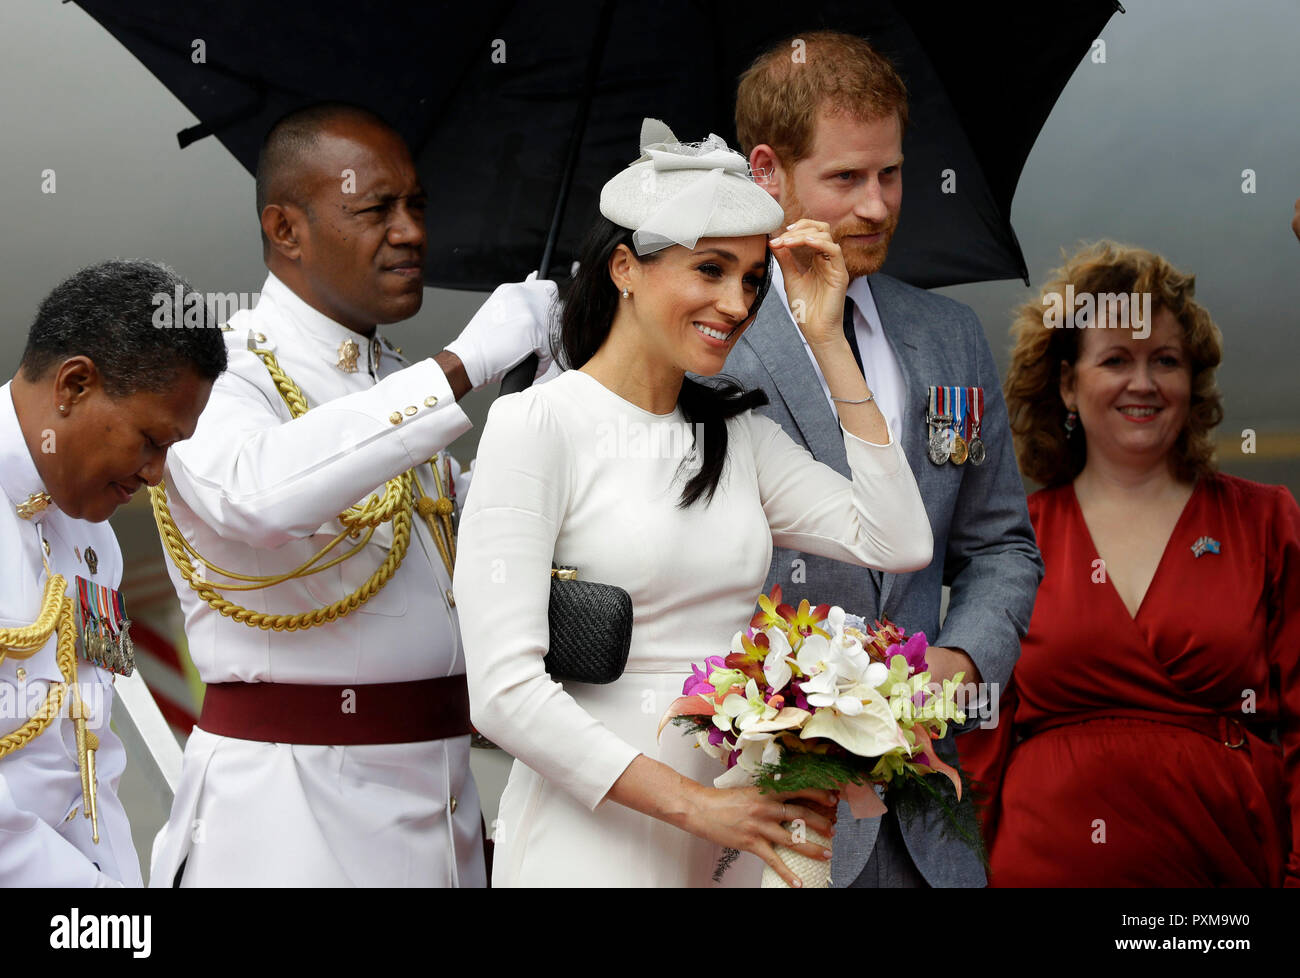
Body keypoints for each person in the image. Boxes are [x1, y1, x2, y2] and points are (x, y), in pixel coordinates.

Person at [453, 119, 934, 887]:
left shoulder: (735, 434)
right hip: (596, 833)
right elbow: (503, 695)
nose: (737, 302)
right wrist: (694, 807)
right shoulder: (538, 423)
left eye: (749, 278)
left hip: (730, 831)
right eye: (710, 270)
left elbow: (899, 537)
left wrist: (829, 338)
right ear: (624, 269)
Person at [147, 103, 554, 887]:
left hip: (441, 800)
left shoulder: (388, 379)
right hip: (291, 817)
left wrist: (556, 399)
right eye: (376, 210)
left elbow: (481, 544)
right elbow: (258, 496)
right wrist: (464, 363)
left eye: (417, 207)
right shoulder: (219, 368)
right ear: (285, 229)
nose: (409, 232)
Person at [719, 31, 1042, 887]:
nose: (876, 206)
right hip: (766, 812)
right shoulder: (711, 345)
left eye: (890, 174)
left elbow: (1002, 544)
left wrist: (964, 657)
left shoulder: (950, 336)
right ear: (767, 171)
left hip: (929, 822)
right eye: (845, 179)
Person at [957, 241, 1300, 886]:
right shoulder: (1013, 537)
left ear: (1191, 379)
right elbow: (978, 739)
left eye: (1164, 360)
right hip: (1041, 868)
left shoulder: (1266, 522)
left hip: (1221, 883)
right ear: (1066, 382)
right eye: (1116, 359)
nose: (1142, 383)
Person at [1, 259, 225, 886]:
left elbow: (90, 764)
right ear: (73, 385)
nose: (155, 473)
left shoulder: (93, 537)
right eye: (150, 440)